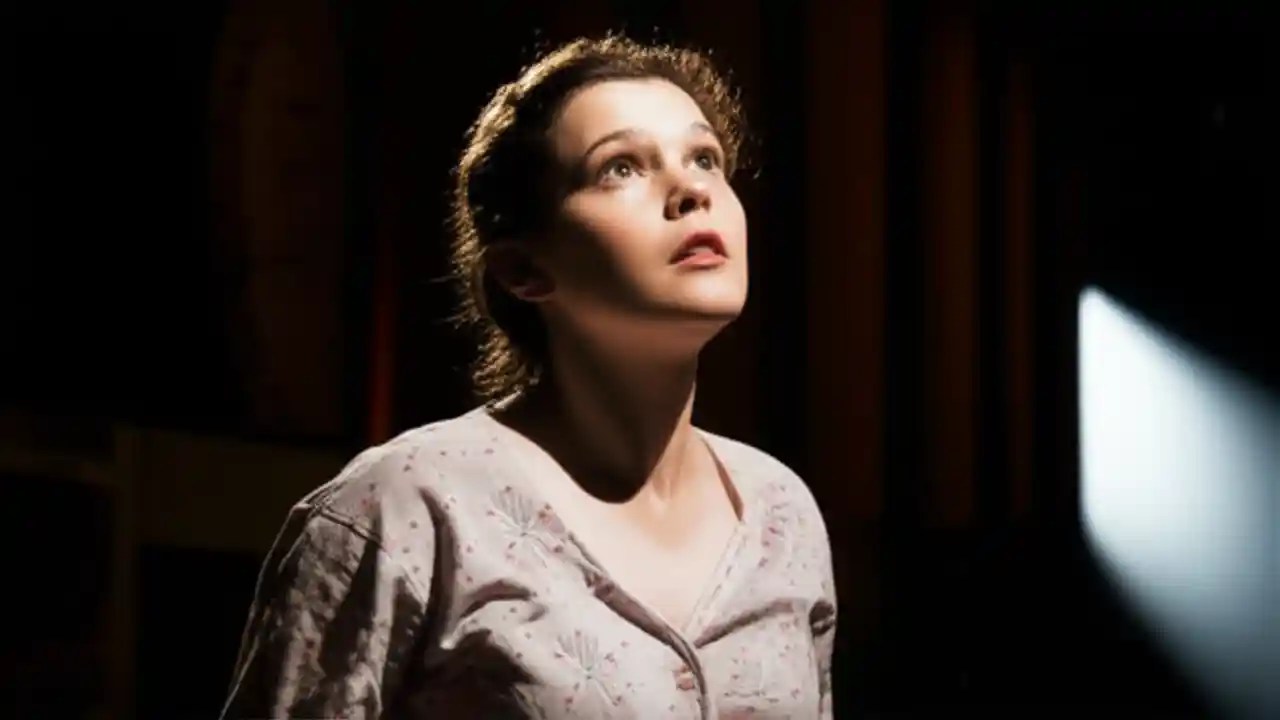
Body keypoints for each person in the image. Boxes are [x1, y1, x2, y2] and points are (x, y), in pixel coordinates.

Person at [219, 33, 836, 719]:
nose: (691, 189)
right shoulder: (408, 507)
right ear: (522, 269)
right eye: (621, 168)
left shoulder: (784, 513)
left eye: (705, 158)